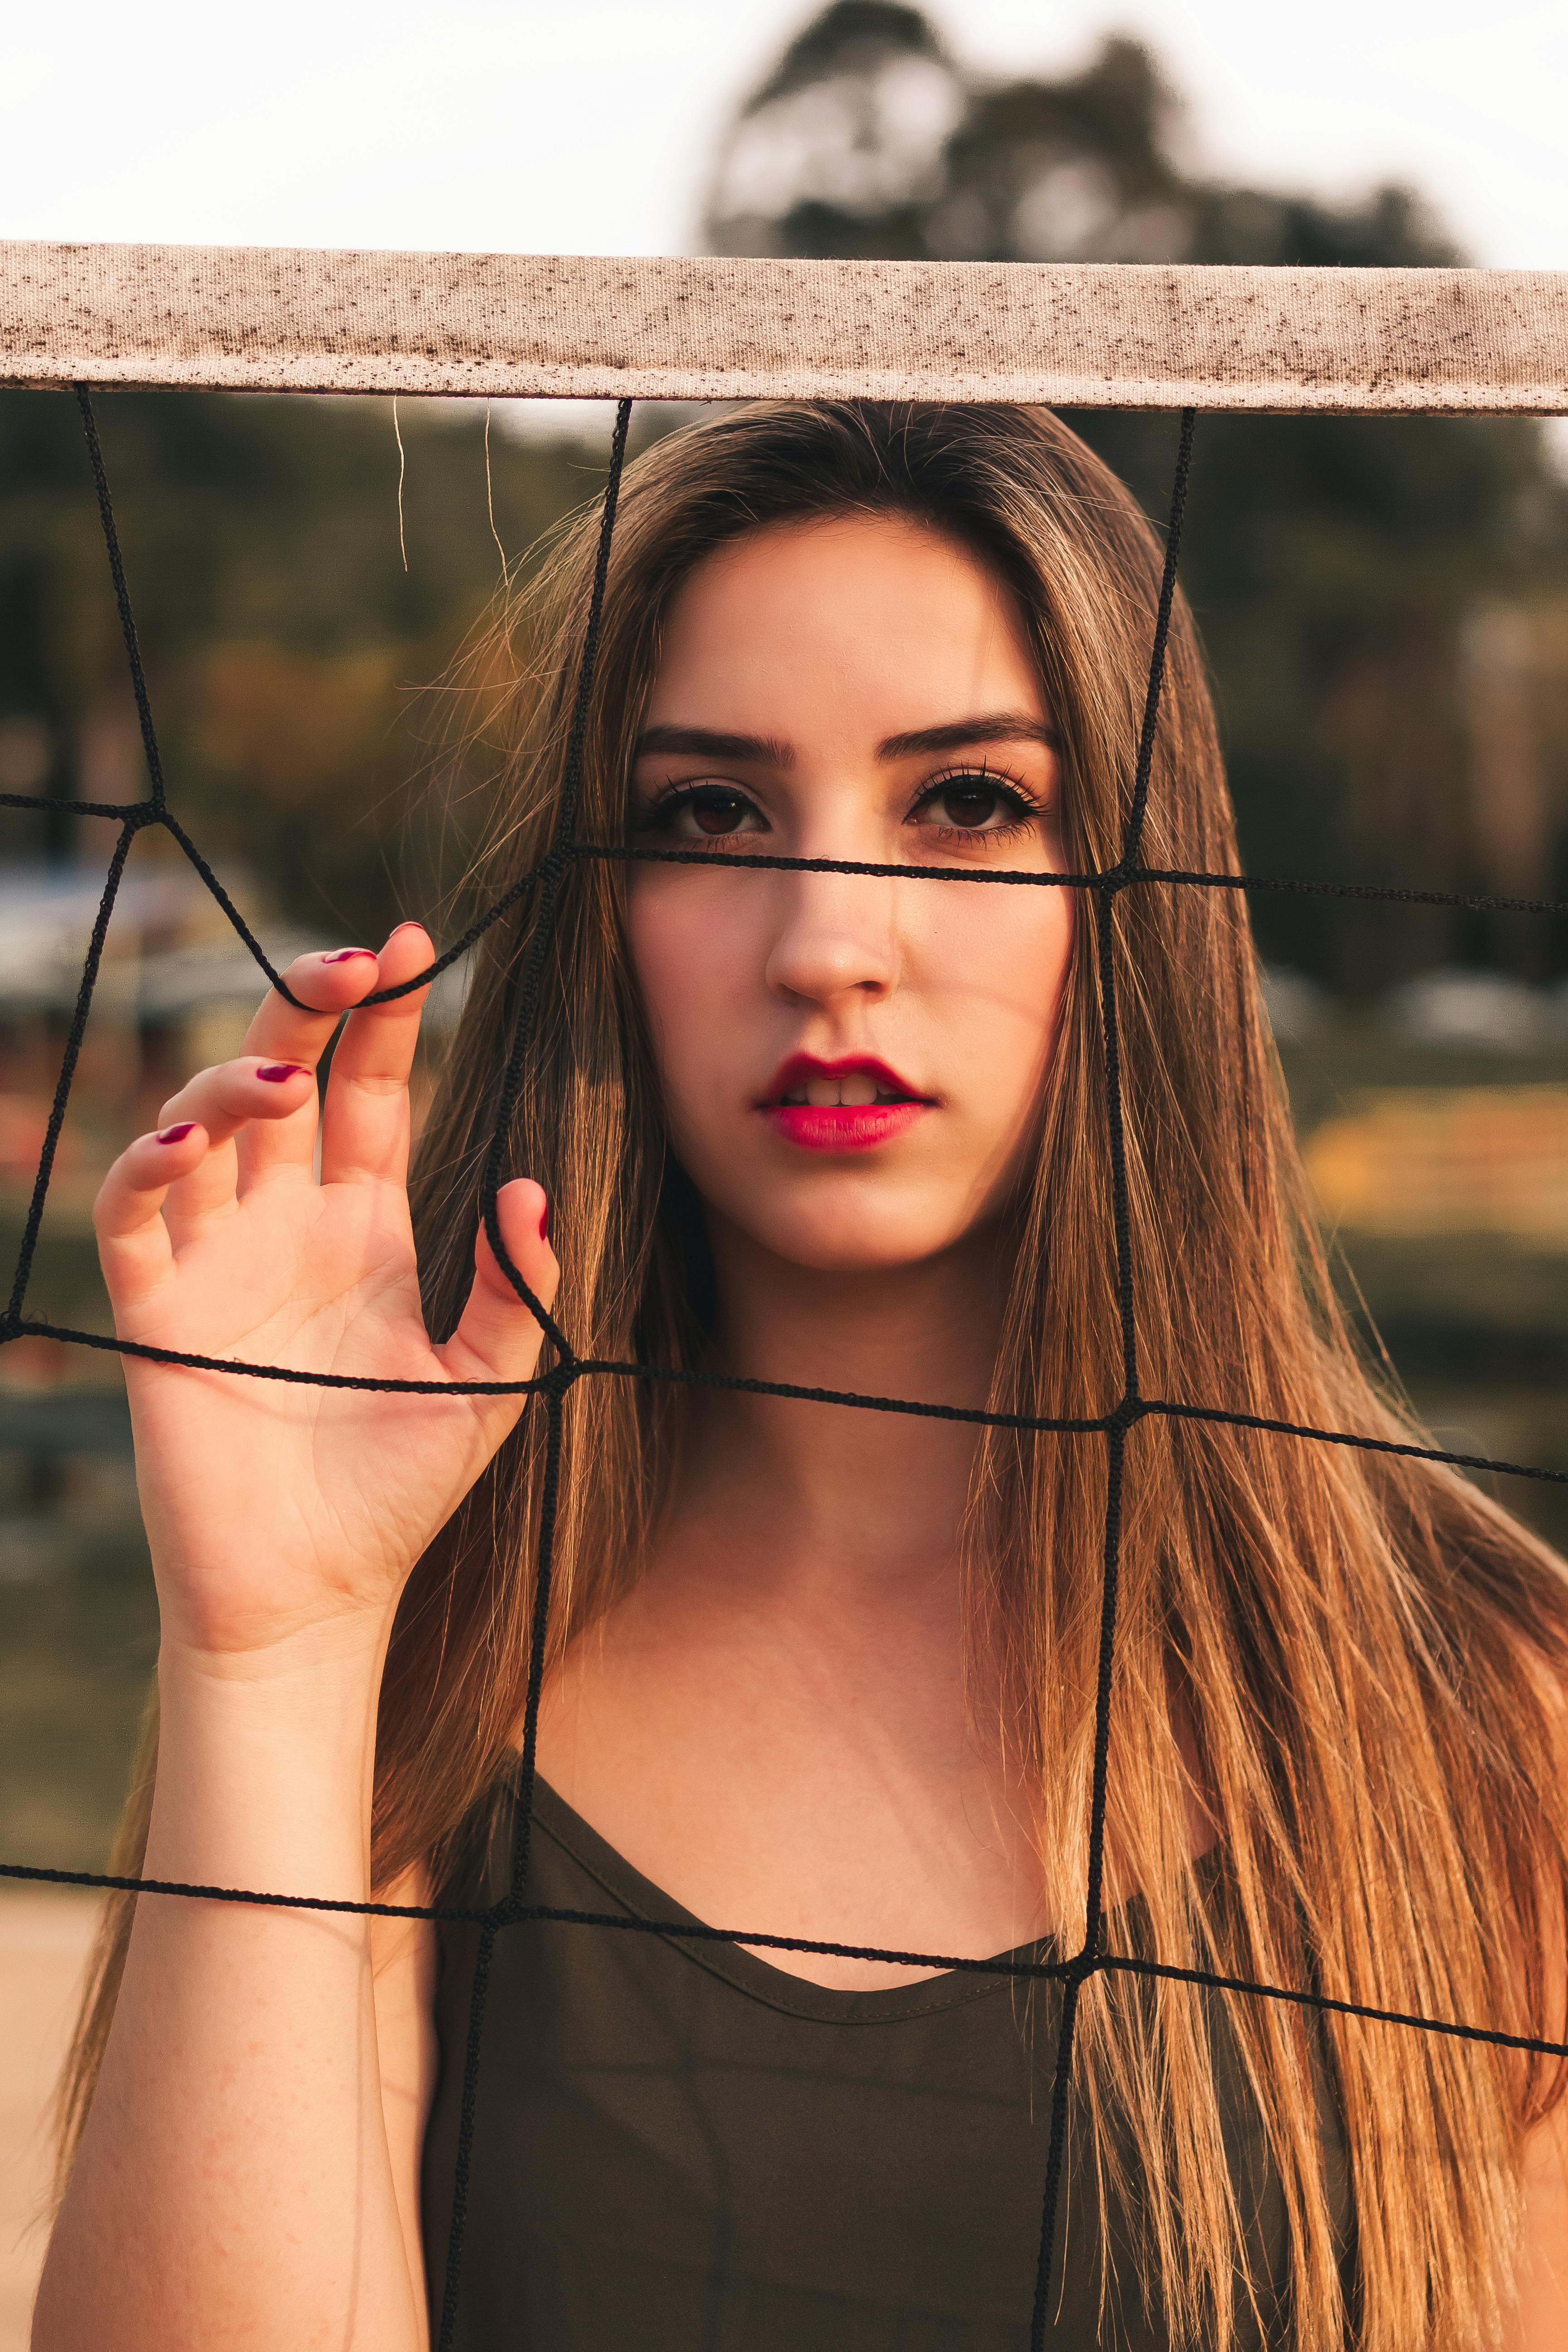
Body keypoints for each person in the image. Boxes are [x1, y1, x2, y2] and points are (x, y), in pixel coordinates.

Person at [31, 403, 1568, 2352]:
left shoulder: (1490, 1711)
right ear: (603, 910)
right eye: (712, 816)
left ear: (1144, 886)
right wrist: (267, 1649)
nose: (829, 942)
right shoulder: (416, 1657)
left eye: (971, 805)